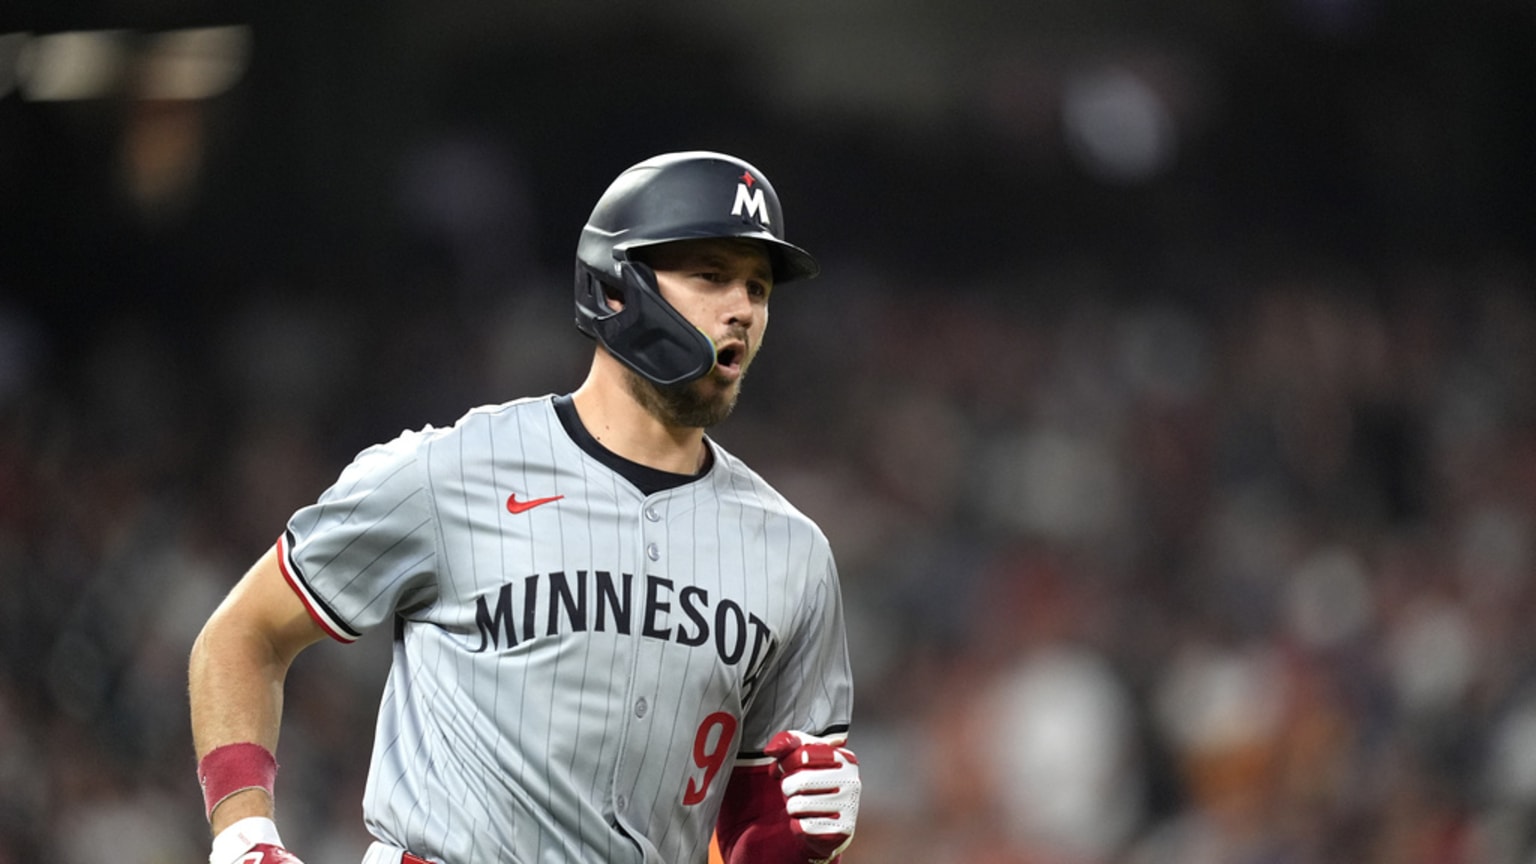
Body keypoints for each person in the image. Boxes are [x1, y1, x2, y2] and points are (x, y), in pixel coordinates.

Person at [187, 150, 860, 864]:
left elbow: (758, 828)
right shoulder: (452, 471)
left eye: (758, 288)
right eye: (711, 276)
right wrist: (244, 831)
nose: (743, 310)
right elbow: (244, 634)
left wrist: (796, 846)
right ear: (617, 288)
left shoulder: (794, 556)